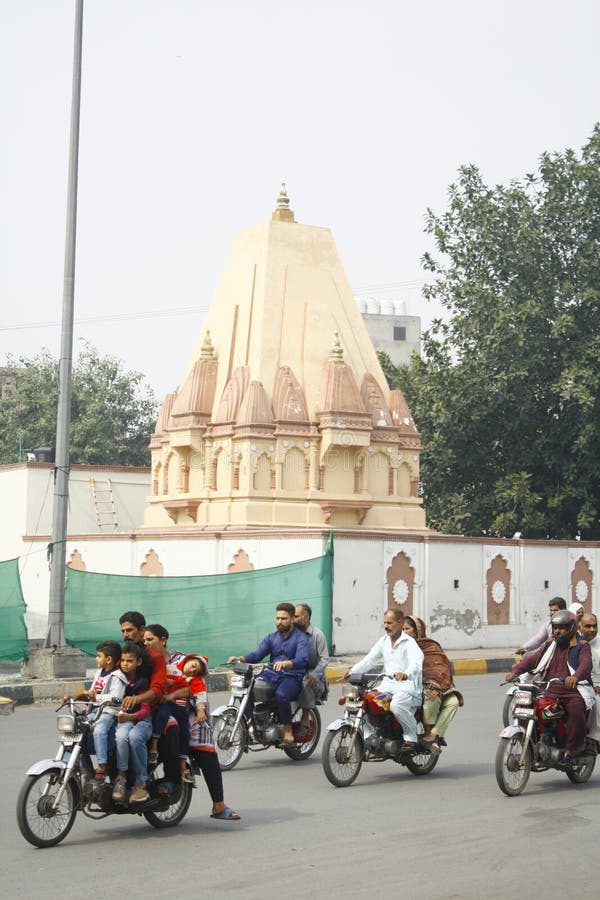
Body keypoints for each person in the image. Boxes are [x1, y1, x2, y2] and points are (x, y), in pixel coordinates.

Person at [143, 623, 240, 820]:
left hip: (188, 713)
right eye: (144, 640)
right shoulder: (143, 661)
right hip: (155, 712)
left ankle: (218, 804)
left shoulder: (182, 660)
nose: (146, 643)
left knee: (204, 751)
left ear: (163, 640)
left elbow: (196, 687)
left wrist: (175, 696)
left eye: (150, 639)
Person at [505, 609, 593, 762]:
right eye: (555, 627)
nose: (557, 631)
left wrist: (575, 676)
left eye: (561, 628)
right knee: (526, 709)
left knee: (576, 709)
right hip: (548, 689)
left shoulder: (581, 646)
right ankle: (533, 742)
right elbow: (532, 659)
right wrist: (516, 672)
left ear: (571, 628)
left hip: (571, 691)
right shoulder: (550, 645)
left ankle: (571, 749)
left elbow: (586, 664)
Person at [228, 602, 309, 743]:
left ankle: (287, 730)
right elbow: (257, 654)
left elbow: (302, 658)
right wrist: (240, 658)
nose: (280, 622)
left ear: (291, 619)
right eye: (278, 618)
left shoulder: (301, 637)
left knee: (281, 695)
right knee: (246, 690)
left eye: (284, 619)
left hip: (292, 676)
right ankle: (250, 726)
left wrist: (287, 663)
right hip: (271, 675)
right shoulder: (272, 638)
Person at [345, 607, 423, 752]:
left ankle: (411, 738)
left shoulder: (409, 642)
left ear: (400, 623)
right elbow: (370, 660)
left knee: (396, 706)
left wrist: (406, 674)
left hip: (408, 687)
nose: (386, 626)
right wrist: (353, 671)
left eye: (390, 623)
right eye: (385, 623)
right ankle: (371, 737)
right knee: (364, 702)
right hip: (387, 685)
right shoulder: (384, 641)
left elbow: (416, 664)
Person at [67, 640, 128, 787]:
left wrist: (97, 697)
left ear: (108, 659)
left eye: (98, 656)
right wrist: (77, 696)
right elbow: (93, 692)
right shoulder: (98, 673)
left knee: (99, 730)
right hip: (95, 711)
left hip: (108, 713)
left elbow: (117, 698)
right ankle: (85, 768)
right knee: (75, 728)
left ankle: (102, 765)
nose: (96, 659)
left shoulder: (117, 677)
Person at [402, 616, 463, 755]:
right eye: (403, 629)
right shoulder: (401, 647)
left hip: (437, 686)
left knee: (453, 701)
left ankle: (433, 735)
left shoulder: (431, 646)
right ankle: (430, 734)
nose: (405, 632)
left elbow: (440, 667)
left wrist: (436, 685)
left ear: (418, 630)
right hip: (414, 687)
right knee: (431, 698)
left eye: (408, 629)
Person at [149, 652, 209, 783]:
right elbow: (156, 680)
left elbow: (200, 695)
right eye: (193, 665)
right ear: (188, 659)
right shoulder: (170, 668)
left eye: (196, 670)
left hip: (181, 708)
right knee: (162, 715)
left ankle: (183, 767)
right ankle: (154, 747)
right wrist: (164, 680)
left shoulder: (195, 680)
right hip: (165, 704)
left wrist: (201, 711)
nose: (192, 670)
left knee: (185, 733)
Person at [113, 642, 153, 803]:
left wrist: (129, 717)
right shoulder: (116, 679)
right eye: (123, 660)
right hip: (125, 720)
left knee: (135, 736)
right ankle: (120, 778)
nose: (125, 664)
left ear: (139, 662)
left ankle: (141, 781)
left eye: (129, 661)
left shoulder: (142, 682)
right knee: (121, 737)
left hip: (142, 721)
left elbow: (146, 711)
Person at [293, 603, 329, 733]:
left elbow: (324, 660)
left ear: (306, 617)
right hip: (296, 671)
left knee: (305, 681)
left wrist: (314, 675)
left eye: (296, 616)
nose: (293, 619)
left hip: (314, 676)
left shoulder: (317, 635)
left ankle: (305, 716)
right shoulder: (292, 634)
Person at [580, 613, 600, 741]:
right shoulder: (574, 643)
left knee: (596, 702)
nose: (592, 630)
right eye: (588, 626)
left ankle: (593, 740)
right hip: (578, 685)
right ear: (579, 627)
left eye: (595, 626)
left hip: (597, 687)